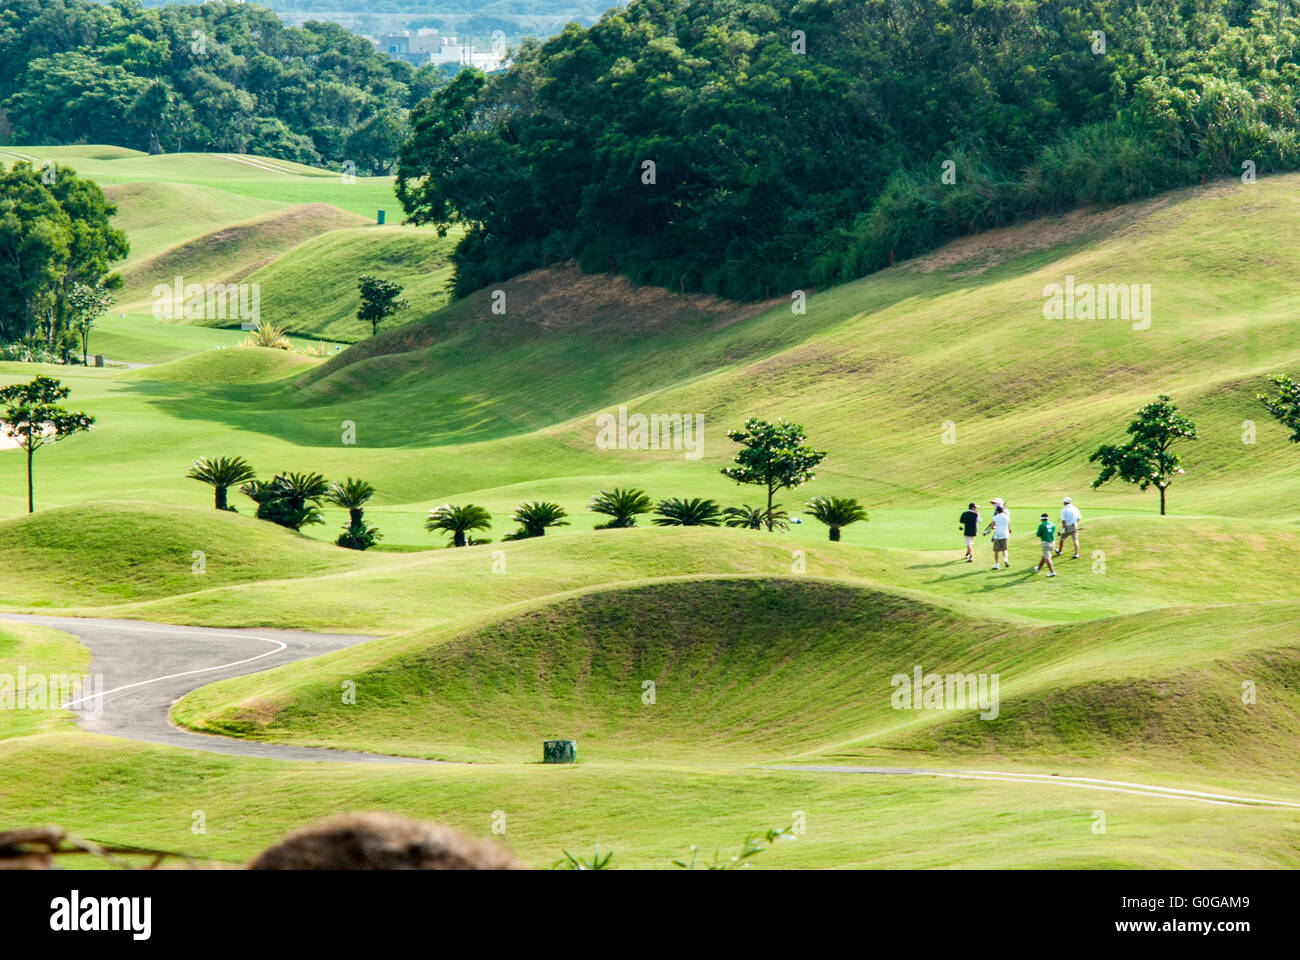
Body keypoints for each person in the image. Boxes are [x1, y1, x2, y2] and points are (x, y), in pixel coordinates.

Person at [984, 504, 1011, 569]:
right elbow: (1009, 526)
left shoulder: (995, 517)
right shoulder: (1007, 517)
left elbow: (993, 527)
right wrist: (1009, 530)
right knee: (1005, 549)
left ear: (997, 511)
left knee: (996, 550)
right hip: (1005, 534)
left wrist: (995, 527)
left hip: (997, 535)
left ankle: (997, 564)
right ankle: (1005, 560)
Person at [1035, 512, 1057, 577]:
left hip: (1046, 543)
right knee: (1044, 556)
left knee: (1047, 558)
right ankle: (1038, 568)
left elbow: (1038, 534)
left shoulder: (1042, 525)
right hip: (1052, 543)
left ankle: (1052, 572)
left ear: (1042, 519)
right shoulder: (1052, 524)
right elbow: (1053, 533)